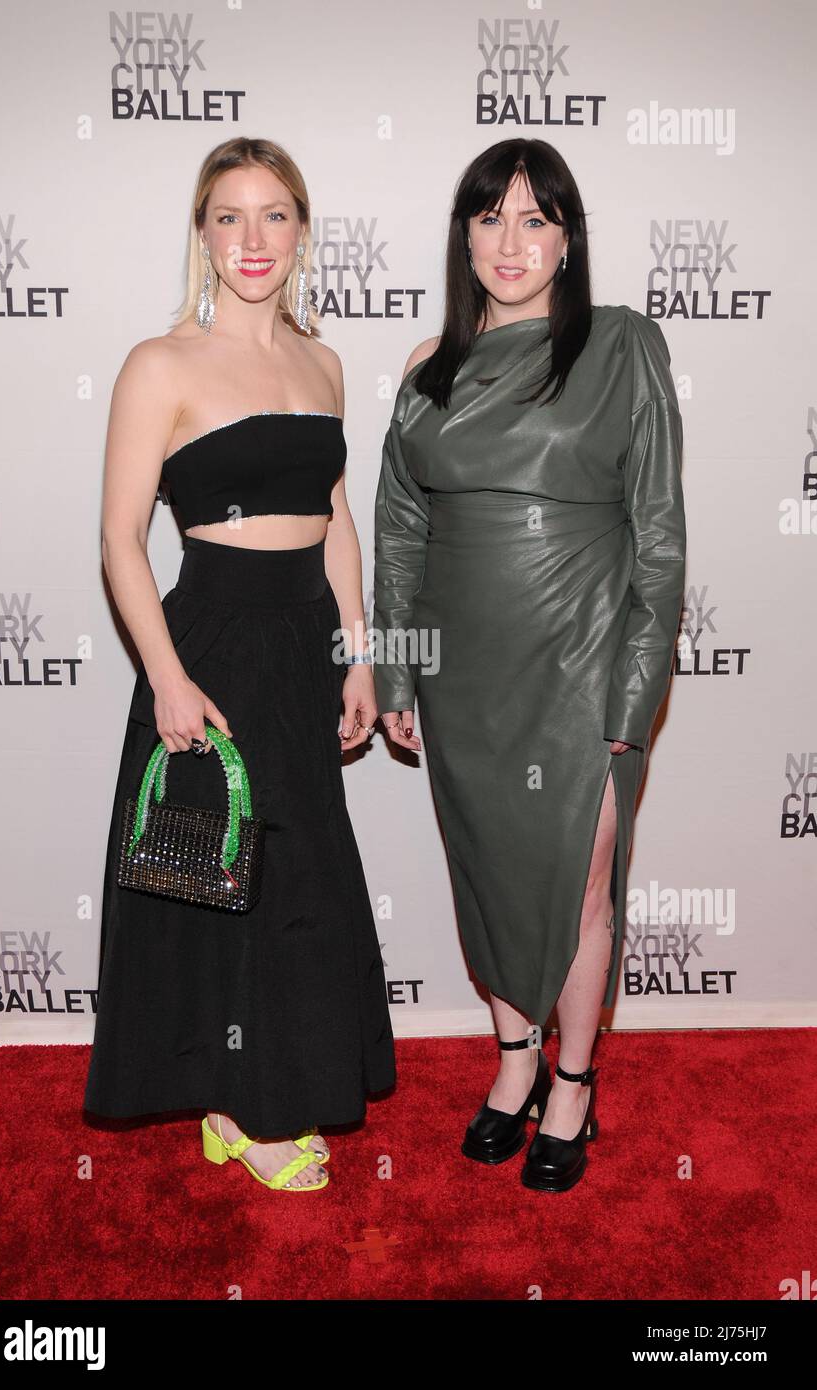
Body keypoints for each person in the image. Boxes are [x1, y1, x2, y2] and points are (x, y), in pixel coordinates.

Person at [372, 138, 686, 1193]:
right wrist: (396, 671)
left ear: (566, 240)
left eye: (534, 219)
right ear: (462, 236)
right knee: (490, 877)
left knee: (579, 886)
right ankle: (515, 1061)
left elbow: (658, 537)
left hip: (583, 665)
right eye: (488, 217)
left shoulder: (619, 346)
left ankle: (574, 1082)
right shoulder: (428, 368)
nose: (510, 242)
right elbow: (400, 533)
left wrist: (633, 698)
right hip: (462, 677)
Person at [83, 136, 395, 1192]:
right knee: (216, 877)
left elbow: (336, 519)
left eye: (273, 214)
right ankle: (232, 1107)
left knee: (298, 879)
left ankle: (269, 1085)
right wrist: (168, 676)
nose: (251, 238)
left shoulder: (322, 364)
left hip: (305, 642)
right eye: (229, 216)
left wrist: (358, 651)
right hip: (211, 642)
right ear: (203, 233)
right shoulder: (160, 365)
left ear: (301, 231)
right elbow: (120, 538)